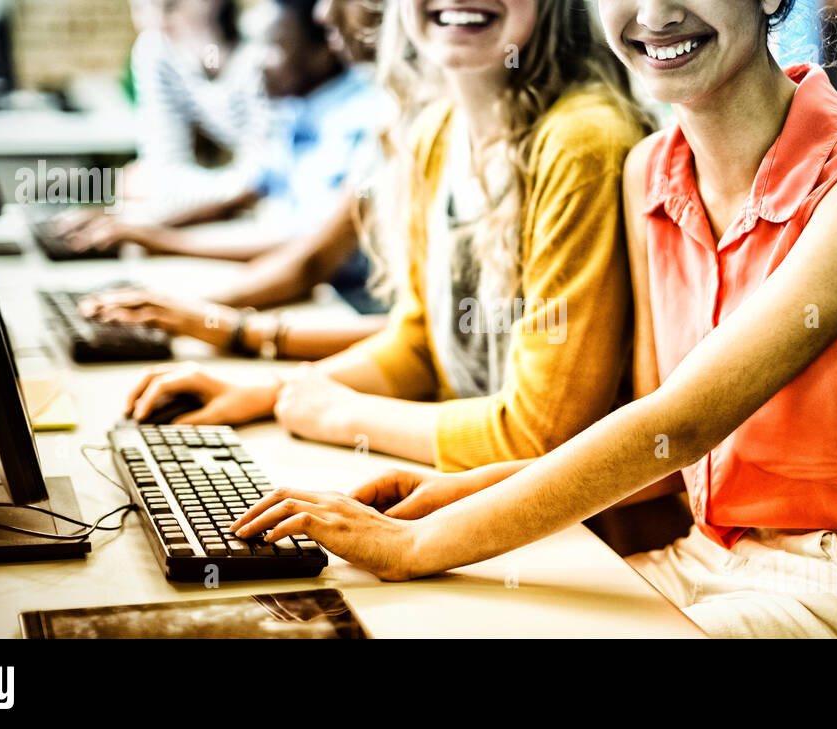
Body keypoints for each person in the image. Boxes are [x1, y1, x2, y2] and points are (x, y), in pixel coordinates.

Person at [228, 0, 837, 639]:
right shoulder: (649, 173)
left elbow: (686, 417)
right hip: (705, 556)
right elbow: (668, 450)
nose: (656, 13)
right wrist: (463, 488)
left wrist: (417, 542)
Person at [122, 0, 653, 471]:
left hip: (584, 534)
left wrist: (339, 413)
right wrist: (269, 392)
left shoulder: (581, 142)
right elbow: (420, 347)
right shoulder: (438, 132)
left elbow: (542, 434)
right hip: (473, 490)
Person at [83, 0, 394, 359]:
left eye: (272, 49)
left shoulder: (368, 119)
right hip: (331, 308)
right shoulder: (301, 107)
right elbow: (252, 189)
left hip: (351, 312)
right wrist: (148, 231)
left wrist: (194, 304)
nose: (257, 62)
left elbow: (308, 257)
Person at [119, 0, 273, 220]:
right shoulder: (156, 49)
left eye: (170, 6)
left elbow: (271, 179)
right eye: (141, 7)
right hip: (242, 190)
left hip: (287, 195)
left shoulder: (268, 47)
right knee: (136, 183)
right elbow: (162, 165)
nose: (155, 22)